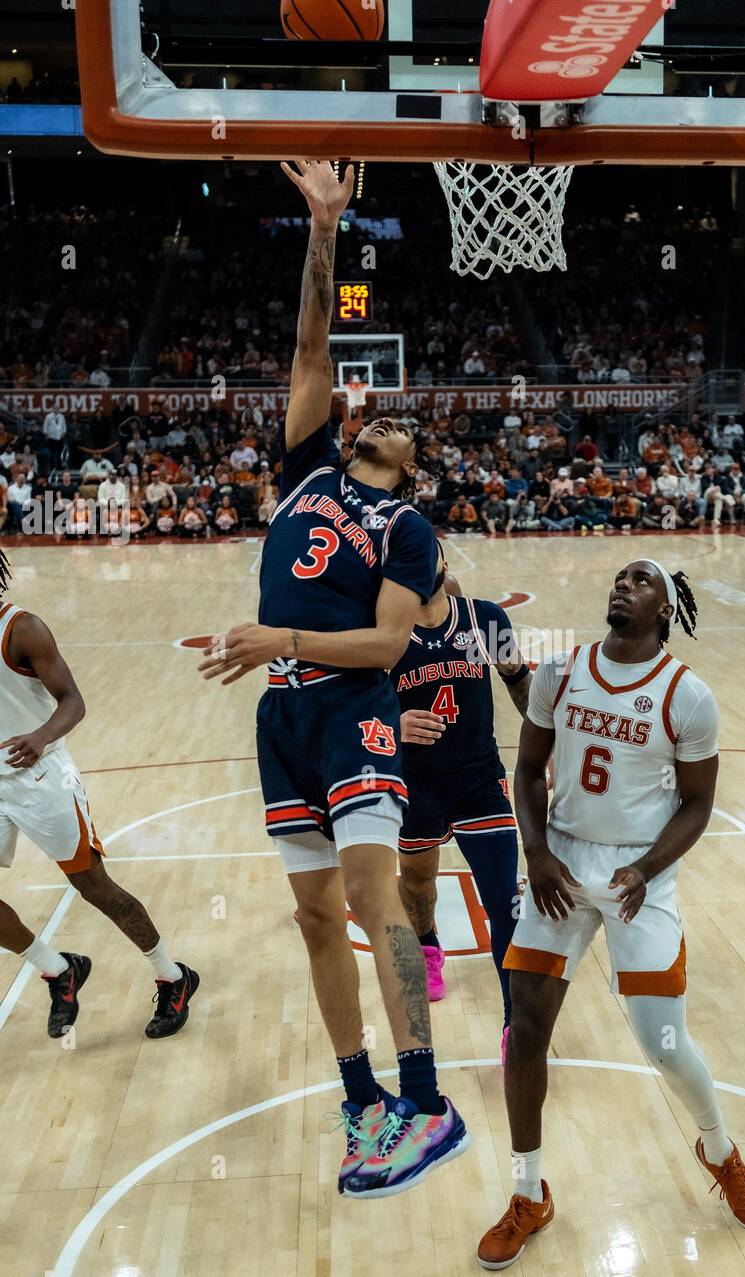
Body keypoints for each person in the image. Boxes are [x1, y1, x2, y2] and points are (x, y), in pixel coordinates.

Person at [199, 158, 468, 1200]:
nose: (389, 418)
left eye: (407, 431)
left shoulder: (407, 530)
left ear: (413, 468)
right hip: (284, 724)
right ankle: (360, 1091)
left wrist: (281, 641)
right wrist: (324, 227)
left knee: (372, 900)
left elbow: (393, 653)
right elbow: (313, 341)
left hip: (351, 713)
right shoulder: (309, 466)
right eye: (382, 416)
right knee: (315, 919)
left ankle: (427, 1096)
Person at [477, 560, 745, 1270]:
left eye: (640, 582)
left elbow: (699, 805)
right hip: (561, 869)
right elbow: (525, 769)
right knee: (526, 1031)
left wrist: (645, 867)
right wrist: (537, 849)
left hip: (643, 874)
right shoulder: (560, 672)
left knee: (665, 1044)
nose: (623, 586)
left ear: (664, 611)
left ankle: (720, 1151)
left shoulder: (688, 695)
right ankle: (527, 1193)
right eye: (618, 578)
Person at [0, 548, 198, 1039]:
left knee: (94, 887)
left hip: (40, 775)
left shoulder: (22, 628)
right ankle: (57, 968)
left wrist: (42, 736)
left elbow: (74, 700)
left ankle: (173, 976)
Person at [390, 545, 530, 1054]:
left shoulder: (485, 619)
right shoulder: (384, 633)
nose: (421, 562)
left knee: (503, 901)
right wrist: (392, 724)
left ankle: (517, 1025)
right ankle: (428, 944)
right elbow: (354, 710)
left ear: (445, 565)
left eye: (430, 554)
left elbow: (518, 681)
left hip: (478, 780)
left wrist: (546, 745)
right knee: (419, 884)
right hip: (414, 783)